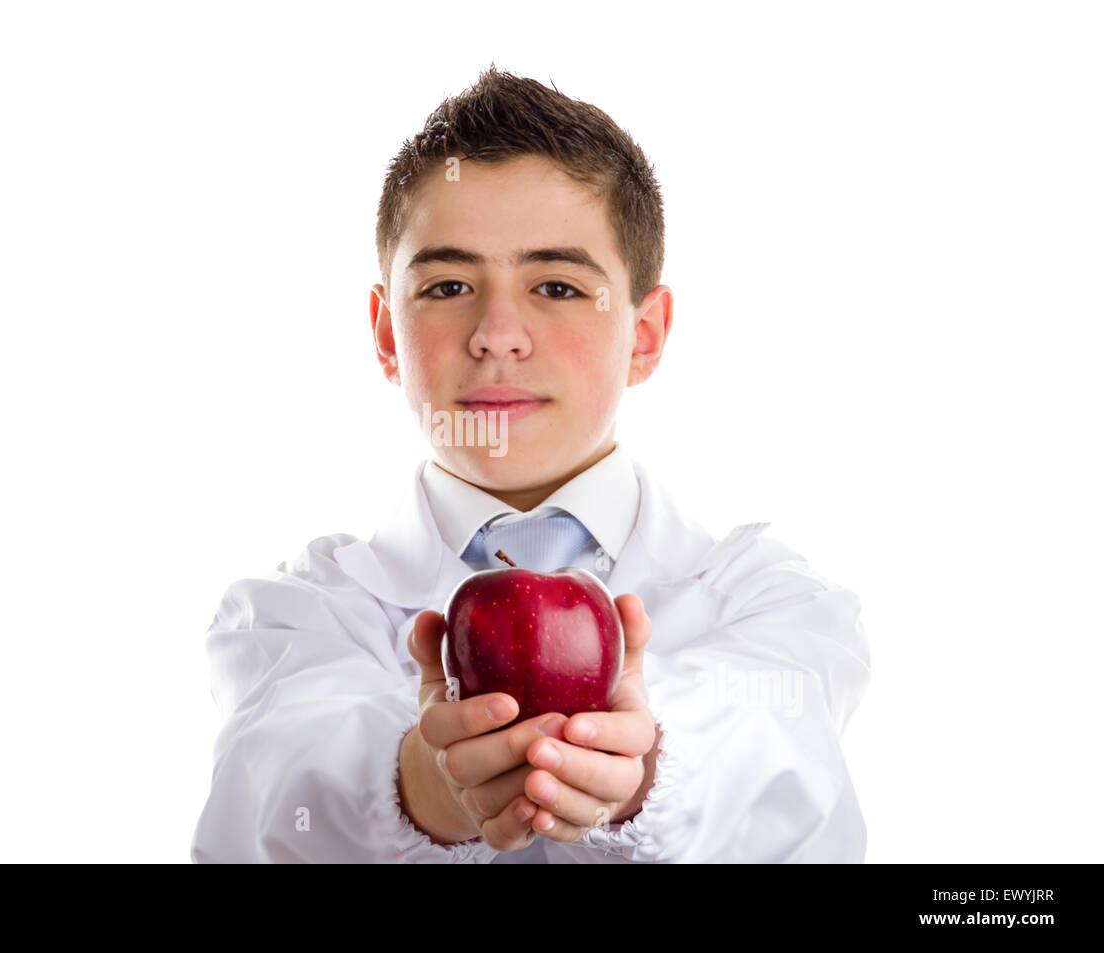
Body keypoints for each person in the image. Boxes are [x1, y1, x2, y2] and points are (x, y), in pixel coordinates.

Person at [190, 65, 871, 863]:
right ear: (385, 333)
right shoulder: (292, 618)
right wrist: (424, 786)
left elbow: (780, 761)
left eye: (556, 284)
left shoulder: (773, 605)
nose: (498, 333)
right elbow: (278, 776)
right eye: (448, 285)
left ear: (646, 334)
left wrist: (641, 766)